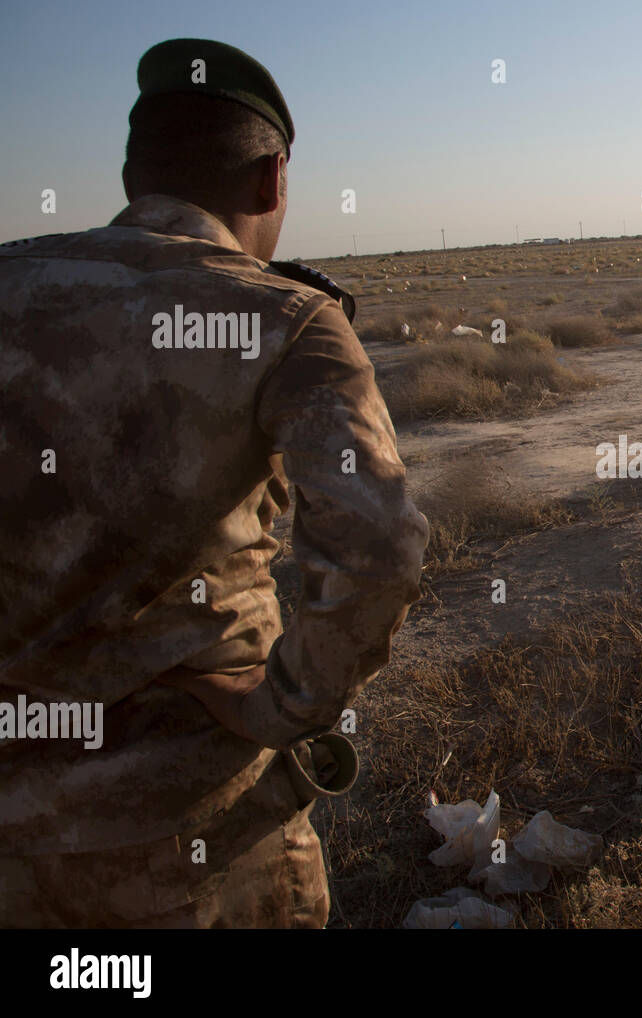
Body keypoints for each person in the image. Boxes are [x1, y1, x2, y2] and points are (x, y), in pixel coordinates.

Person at [0, 38, 429, 928]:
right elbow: (379, 546)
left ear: (130, 171)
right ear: (273, 178)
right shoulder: (283, 318)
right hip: (194, 828)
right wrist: (284, 708)